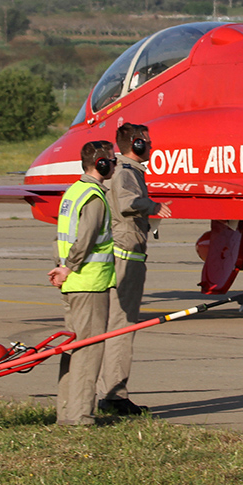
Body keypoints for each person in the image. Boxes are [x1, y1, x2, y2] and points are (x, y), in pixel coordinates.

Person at [98, 121, 168, 415]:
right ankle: (114, 394)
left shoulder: (124, 171)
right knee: (122, 327)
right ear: (136, 144)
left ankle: (109, 391)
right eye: (147, 142)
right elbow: (128, 202)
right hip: (128, 258)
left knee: (116, 326)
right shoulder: (126, 173)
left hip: (125, 256)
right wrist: (151, 206)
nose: (151, 146)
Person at [47, 140, 117, 426]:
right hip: (89, 283)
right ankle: (80, 417)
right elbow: (85, 239)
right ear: (101, 163)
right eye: (112, 160)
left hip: (72, 284)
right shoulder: (94, 198)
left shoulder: (73, 193)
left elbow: (60, 237)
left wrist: (60, 267)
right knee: (89, 351)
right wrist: (68, 267)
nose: (114, 165)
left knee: (73, 349)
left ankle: (67, 413)